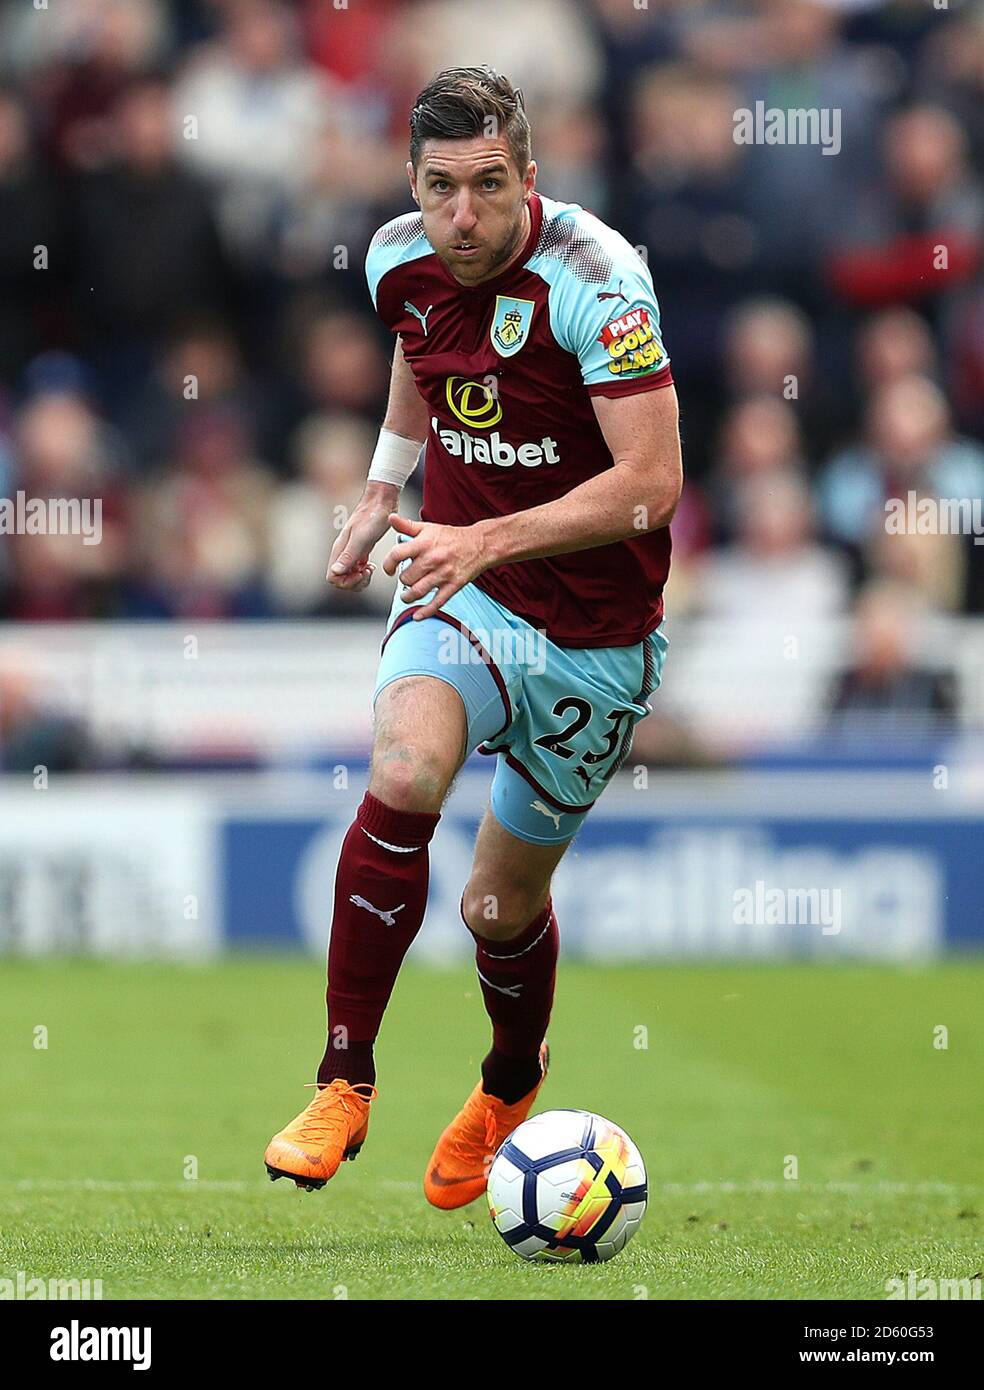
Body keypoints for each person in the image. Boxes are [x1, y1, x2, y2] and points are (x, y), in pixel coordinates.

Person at [264, 67, 682, 1211]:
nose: (463, 217)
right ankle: (344, 1078)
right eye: (440, 188)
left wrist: (490, 538)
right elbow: (422, 351)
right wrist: (380, 487)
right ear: (412, 184)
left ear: (529, 180)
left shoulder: (599, 279)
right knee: (402, 768)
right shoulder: (397, 257)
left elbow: (654, 486)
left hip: (596, 635)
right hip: (465, 589)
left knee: (498, 907)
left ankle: (508, 1080)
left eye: (488, 188)